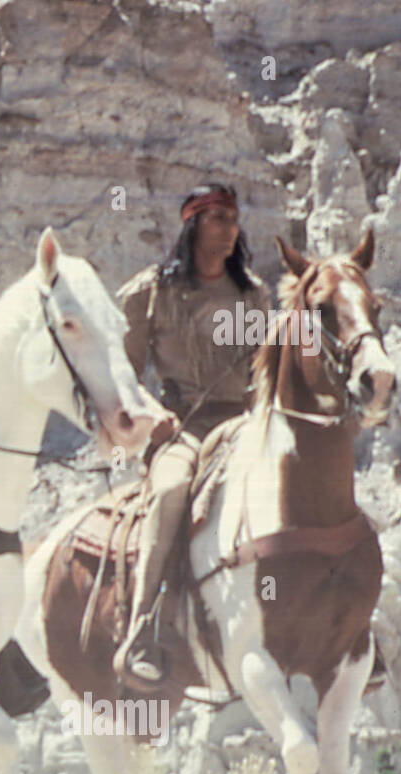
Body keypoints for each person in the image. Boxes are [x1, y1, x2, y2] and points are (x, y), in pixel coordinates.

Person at [112, 182, 274, 689]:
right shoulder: (149, 293)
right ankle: (144, 626)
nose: (229, 229)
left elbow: (266, 372)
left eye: (233, 218)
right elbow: (121, 374)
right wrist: (151, 416)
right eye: (217, 218)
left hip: (243, 425)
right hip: (180, 426)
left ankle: (346, 621)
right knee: (170, 491)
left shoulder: (253, 295)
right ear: (193, 224)